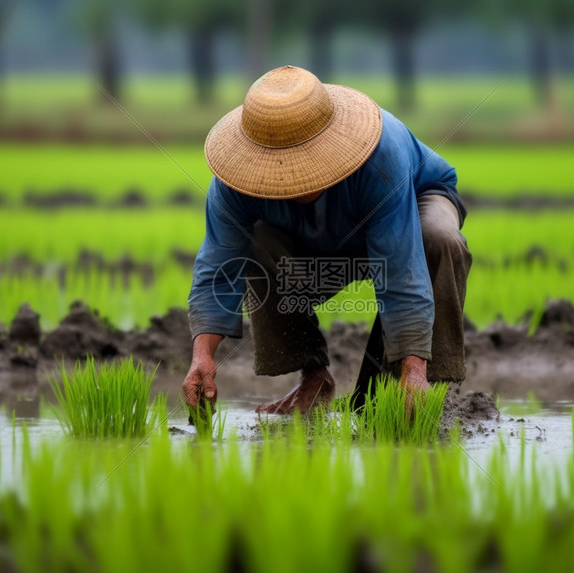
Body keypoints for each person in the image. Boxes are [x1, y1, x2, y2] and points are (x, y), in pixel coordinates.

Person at [183, 65, 471, 416]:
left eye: (302, 165)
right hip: (318, 231)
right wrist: (202, 356)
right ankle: (314, 375)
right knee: (255, 240)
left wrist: (413, 369)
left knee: (439, 238)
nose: (294, 176)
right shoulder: (234, 183)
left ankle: (417, 388)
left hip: (412, 199)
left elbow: (402, 269)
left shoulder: (379, 159)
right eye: (280, 167)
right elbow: (218, 267)